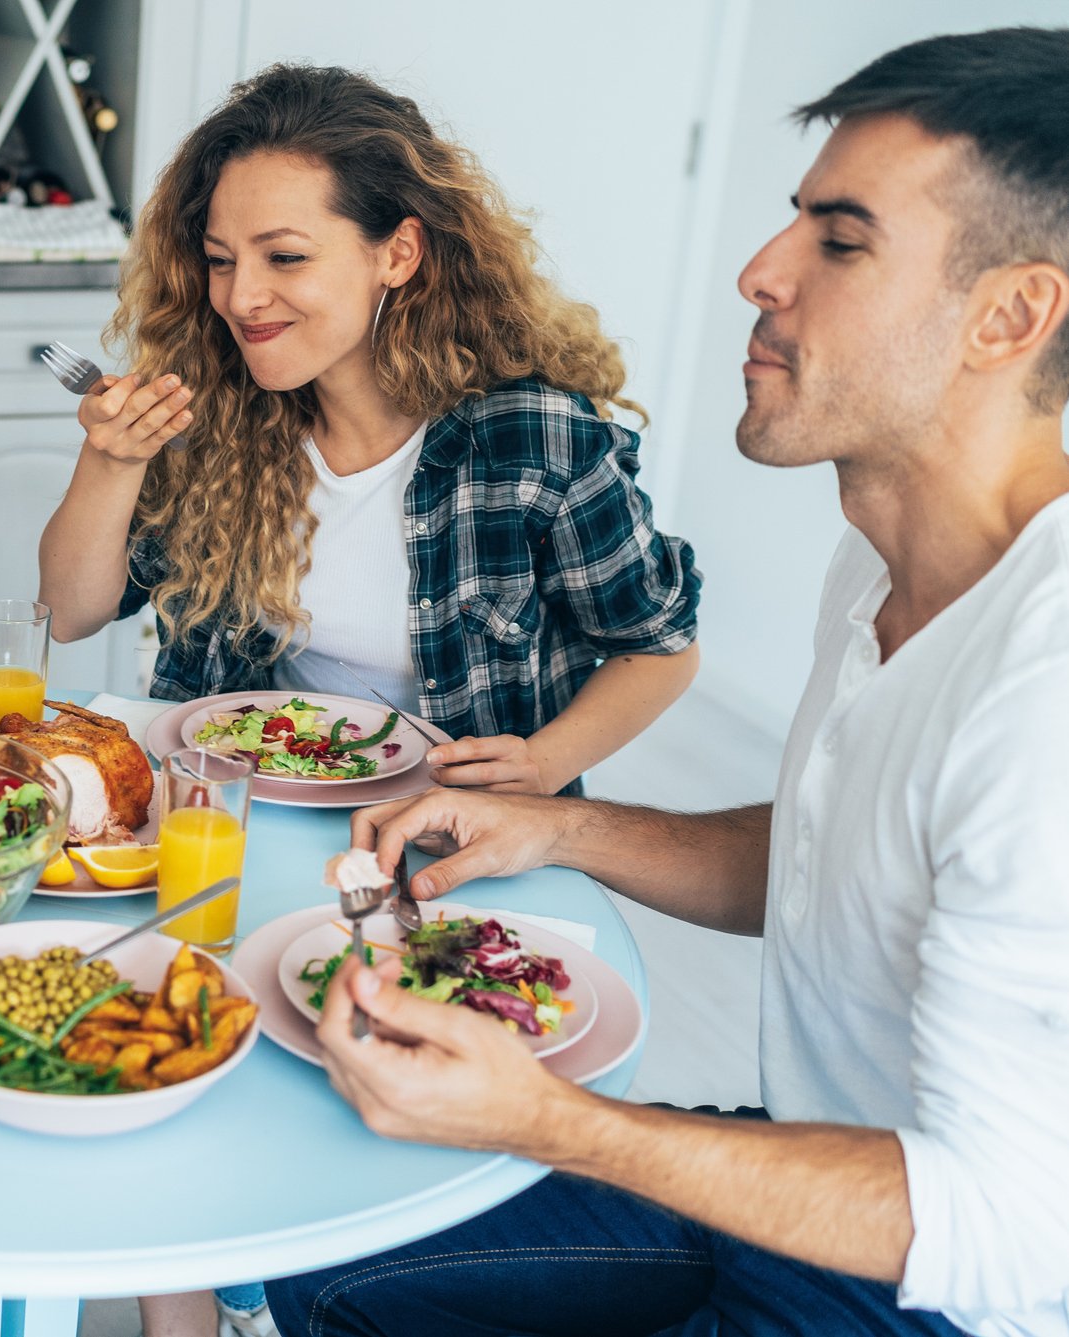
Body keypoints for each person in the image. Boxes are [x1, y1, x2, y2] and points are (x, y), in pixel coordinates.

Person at [271, 27, 1069, 1337]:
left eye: (840, 241)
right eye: (788, 224)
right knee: (330, 1244)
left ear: (1009, 316)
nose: (760, 273)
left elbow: (1011, 1219)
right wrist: (560, 826)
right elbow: (843, 863)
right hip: (809, 1179)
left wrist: (554, 1121)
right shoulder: (880, 568)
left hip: (937, 1297)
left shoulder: (1041, 689)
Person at [38, 64, 701, 799]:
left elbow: (662, 650)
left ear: (398, 253)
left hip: (455, 836)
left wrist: (544, 763)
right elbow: (68, 613)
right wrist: (110, 457)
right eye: (221, 260)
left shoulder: (536, 441)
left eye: (285, 256)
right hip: (236, 817)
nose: (240, 296)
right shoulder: (219, 415)